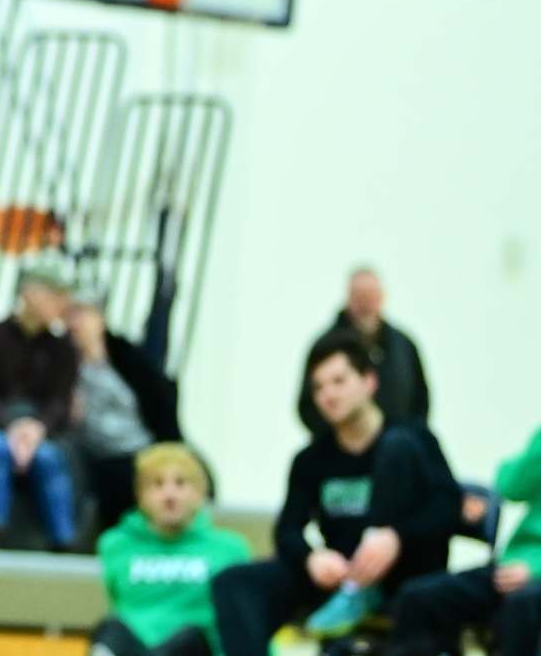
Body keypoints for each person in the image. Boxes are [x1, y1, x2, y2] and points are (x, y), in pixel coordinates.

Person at [210, 331, 462, 654]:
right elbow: (287, 529)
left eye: (339, 381)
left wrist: (396, 537)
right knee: (234, 583)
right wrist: (312, 557)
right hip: (341, 577)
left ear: (369, 382)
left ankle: (364, 590)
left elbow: (449, 508)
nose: (328, 394)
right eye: (318, 387)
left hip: (405, 575)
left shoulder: (414, 439)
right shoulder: (311, 459)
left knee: (396, 447)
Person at [382, 418, 541, 656]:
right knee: (418, 597)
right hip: (510, 565)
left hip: (531, 577)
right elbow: (508, 486)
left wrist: (536, 569)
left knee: (522, 604)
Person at [0, 260, 82, 550]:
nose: (64, 304)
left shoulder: (64, 349)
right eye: (56, 294)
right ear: (30, 293)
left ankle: (64, 542)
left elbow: (60, 402)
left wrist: (37, 428)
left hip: (40, 437)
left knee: (50, 458)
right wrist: (12, 426)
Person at [90, 443, 250, 656]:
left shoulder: (230, 549)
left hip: (196, 648)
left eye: (180, 483)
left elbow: (246, 619)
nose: (169, 494)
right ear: (141, 495)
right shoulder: (114, 545)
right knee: (110, 630)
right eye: (157, 484)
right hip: (134, 647)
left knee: (190, 637)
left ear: (199, 493)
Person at [68, 296, 183, 533]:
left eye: (82, 315)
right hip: (103, 454)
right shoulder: (65, 365)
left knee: (190, 472)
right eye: (71, 316)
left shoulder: (125, 356)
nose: (77, 323)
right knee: (121, 479)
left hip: (144, 445)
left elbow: (158, 401)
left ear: (100, 319)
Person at [297, 267, 429, 433]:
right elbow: (307, 406)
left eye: (371, 297)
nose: (366, 305)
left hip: (399, 445)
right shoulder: (326, 347)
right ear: (349, 298)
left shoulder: (404, 345)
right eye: (360, 297)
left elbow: (420, 399)